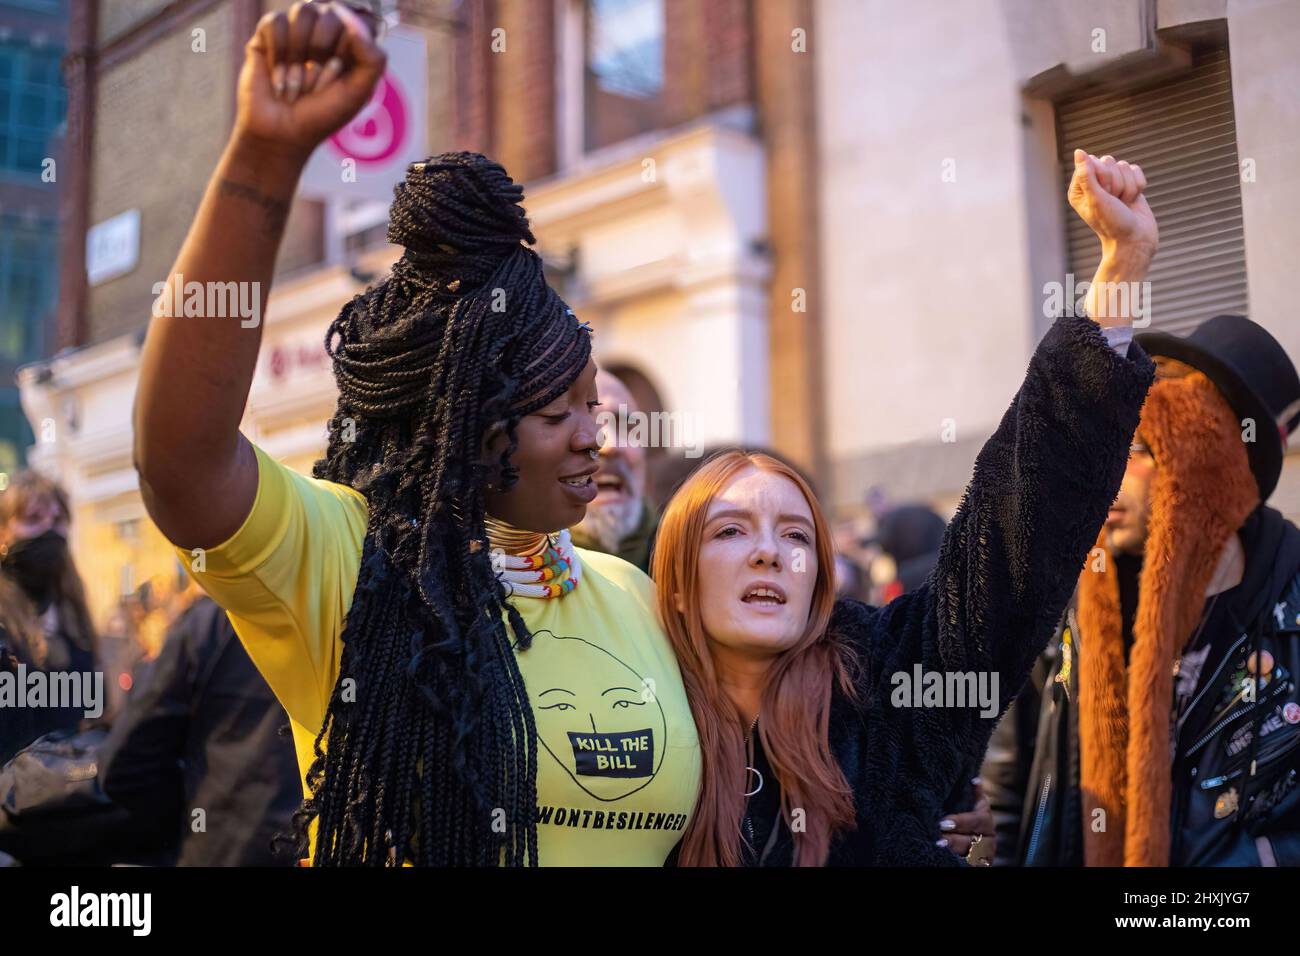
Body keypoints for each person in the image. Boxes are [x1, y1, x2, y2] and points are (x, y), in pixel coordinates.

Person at [133, 1, 699, 866]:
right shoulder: (351, 568)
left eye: (602, 408)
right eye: (561, 414)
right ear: (460, 433)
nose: (598, 436)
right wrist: (266, 156)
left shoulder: (636, 594)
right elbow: (180, 458)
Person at [651, 147, 1159, 865]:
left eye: (797, 534)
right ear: (675, 574)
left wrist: (1122, 266)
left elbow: (1015, 532)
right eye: (730, 529)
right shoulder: (629, 707)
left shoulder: (892, 686)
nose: (769, 551)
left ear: (820, 575)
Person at [984, 314, 1300, 867]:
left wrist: (1258, 861)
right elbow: (1006, 792)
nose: (1109, 471)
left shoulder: (1287, 605)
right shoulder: (1067, 598)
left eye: (1137, 450)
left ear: (1200, 464)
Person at [98, 592, 303, 866]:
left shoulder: (211, 623)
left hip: (217, 848)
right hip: (313, 847)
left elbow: (123, 764)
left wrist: (190, 817)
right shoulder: (353, 611)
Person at [0, 470, 98, 761]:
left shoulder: (74, 609)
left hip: (67, 785)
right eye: (33, 519)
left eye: (57, 521)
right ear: (3, 532)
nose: (49, 531)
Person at [570, 369, 659, 572]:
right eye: (587, 424)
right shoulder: (499, 575)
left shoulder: (691, 563)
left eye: (626, 425)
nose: (611, 445)